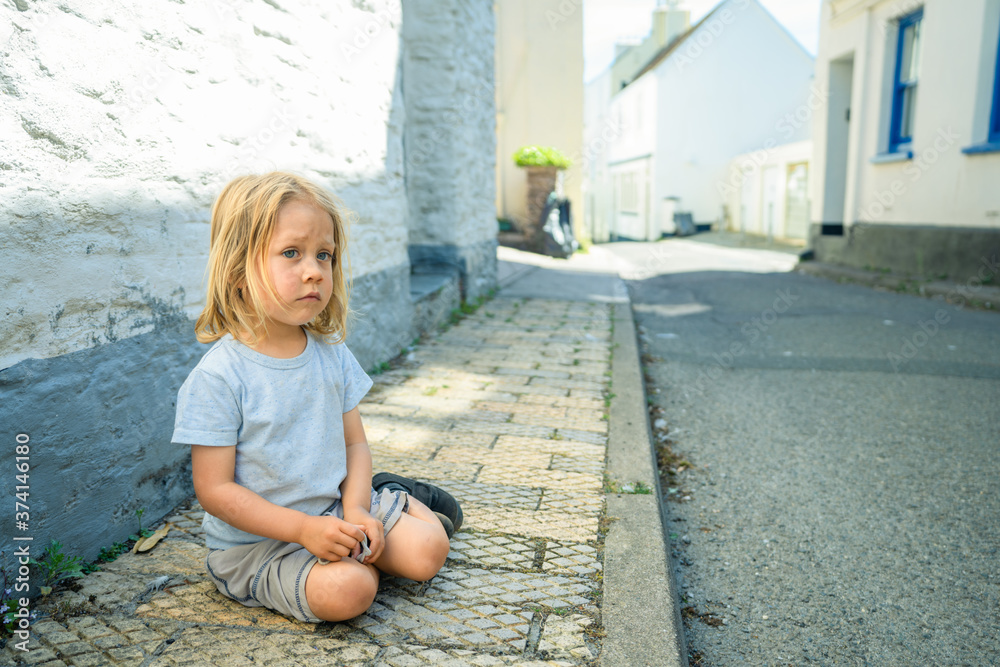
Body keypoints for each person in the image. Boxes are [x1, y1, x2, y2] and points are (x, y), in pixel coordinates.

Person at [171, 172, 462, 623]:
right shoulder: (220, 377)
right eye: (292, 253)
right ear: (237, 269)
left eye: (323, 255)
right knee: (350, 590)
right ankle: (396, 510)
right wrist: (304, 529)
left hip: (335, 506)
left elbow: (354, 445)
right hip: (260, 544)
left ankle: (392, 494)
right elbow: (215, 490)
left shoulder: (330, 353)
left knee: (429, 553)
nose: (314, 270)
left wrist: (355, 508)